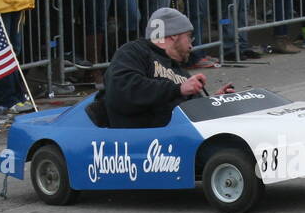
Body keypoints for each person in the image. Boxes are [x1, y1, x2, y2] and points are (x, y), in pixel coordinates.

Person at [98, 7, 232, 128]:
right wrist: (178, 89)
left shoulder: (180, 71)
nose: (191, 46)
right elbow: (123, 88)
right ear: (174, 35)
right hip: (144, 139)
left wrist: (214, 101)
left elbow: (191, 109)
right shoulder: (134, 51)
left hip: (179, 134)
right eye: (189, 37)